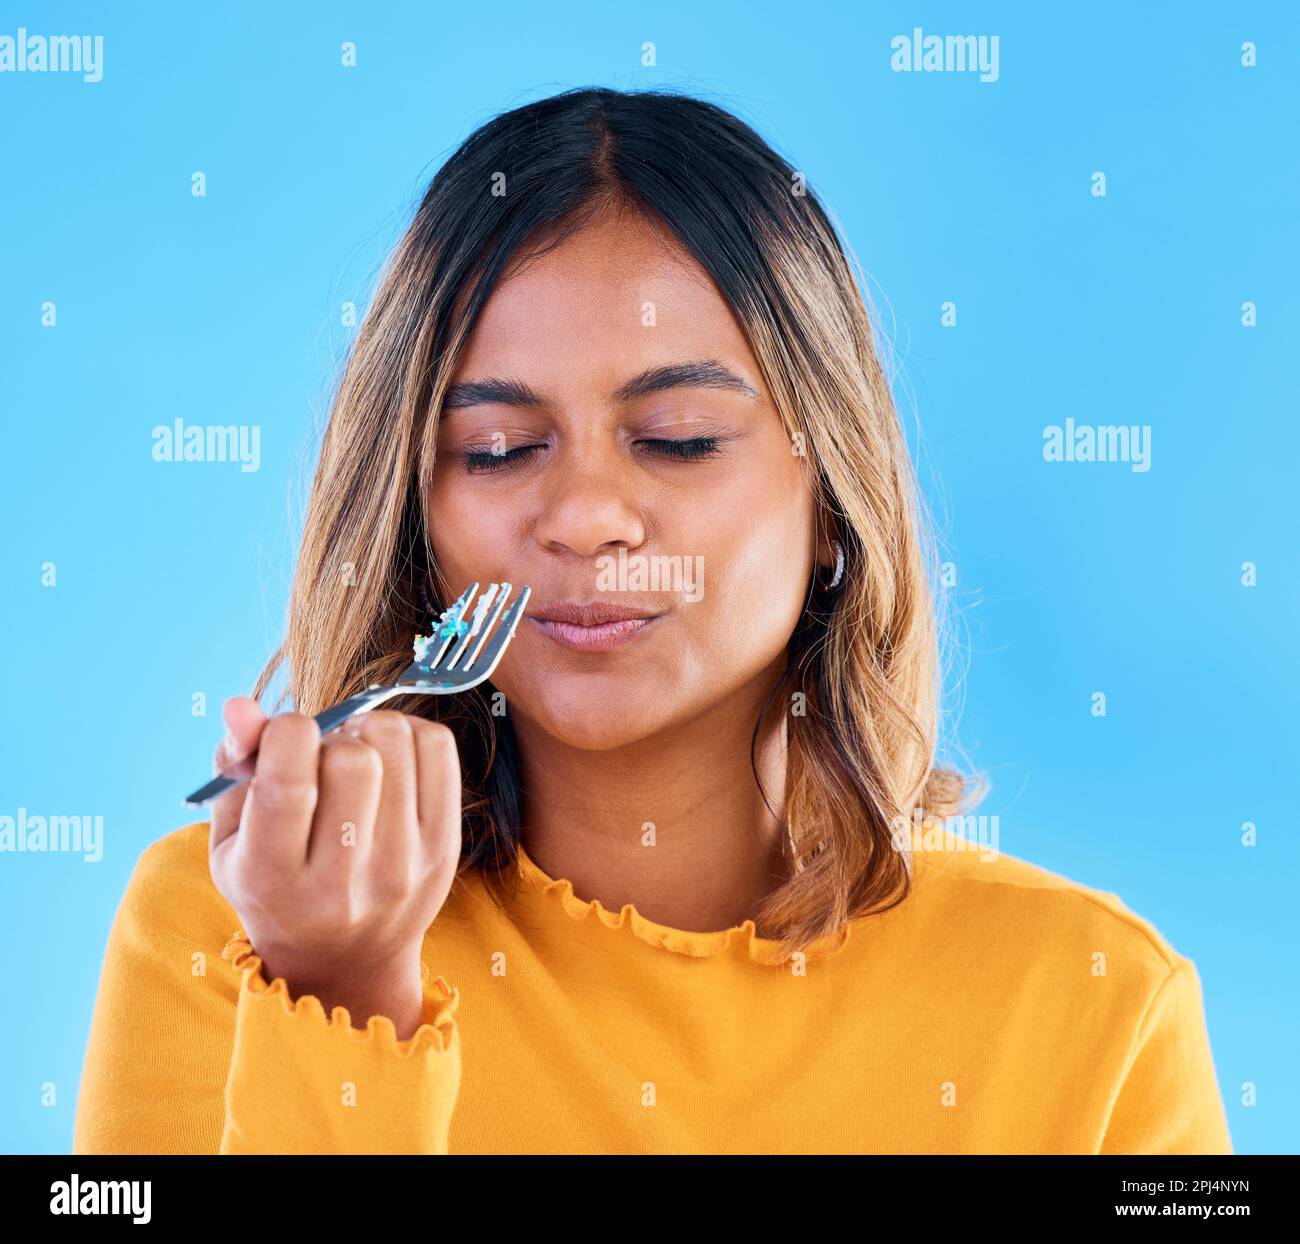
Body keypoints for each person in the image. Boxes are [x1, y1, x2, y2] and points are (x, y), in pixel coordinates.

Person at [72, 87, 1233, 1155]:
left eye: (676, 437)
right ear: (414, 511)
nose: (583, 518)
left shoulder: (1095, 1003)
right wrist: (340, 993)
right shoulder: (225, 928)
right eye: (497, 449)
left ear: (830, 501)